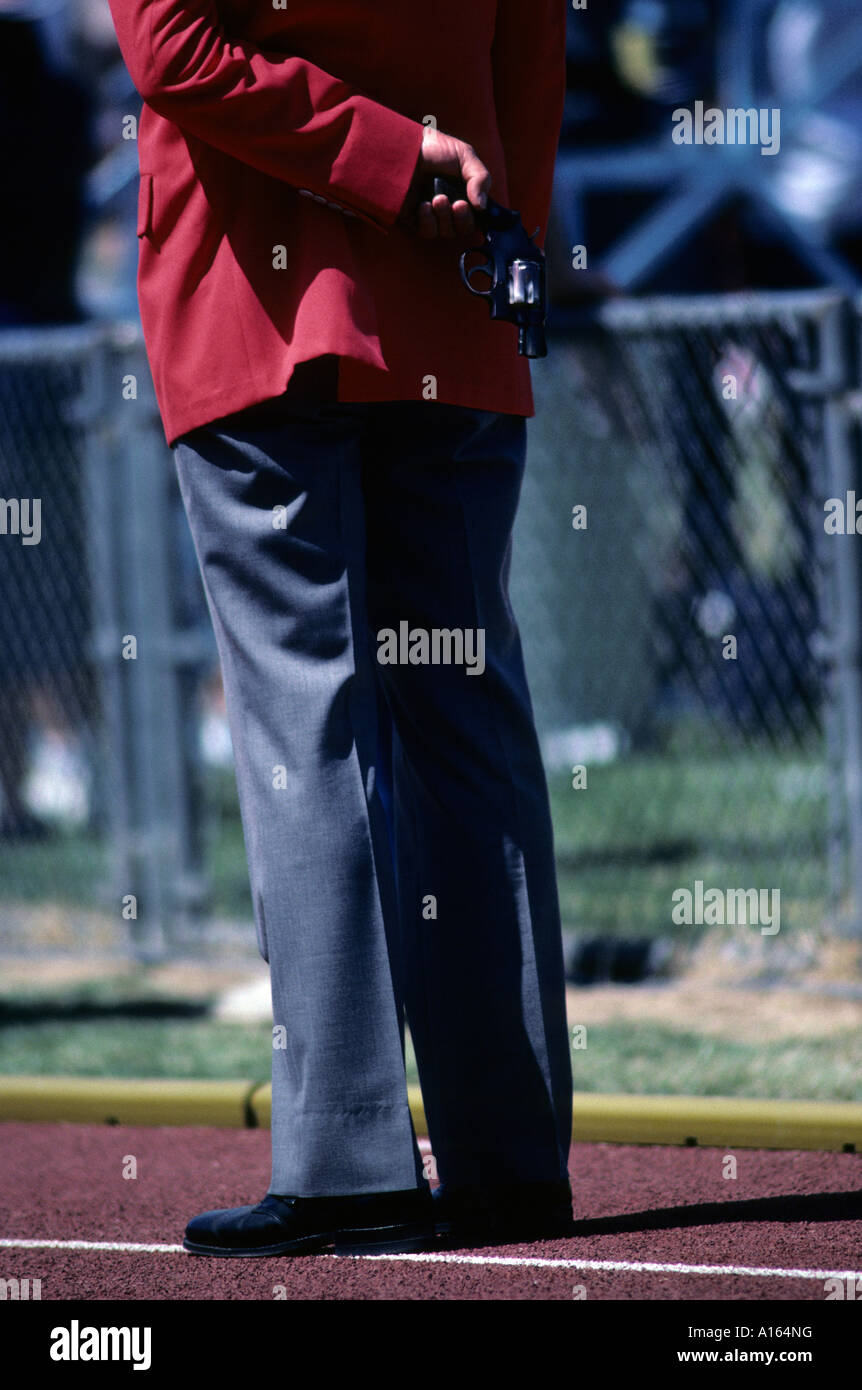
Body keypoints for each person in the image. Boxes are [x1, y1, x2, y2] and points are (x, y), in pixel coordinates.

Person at [106, 0, 574, 1256]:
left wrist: (378, 163)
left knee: (306, 723)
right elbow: (530, 55)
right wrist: (484, 215)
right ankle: (510, 1157)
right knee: (466, 724)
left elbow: (172, 50)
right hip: (454, 287)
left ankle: (347, 1156)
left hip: (255, 303)